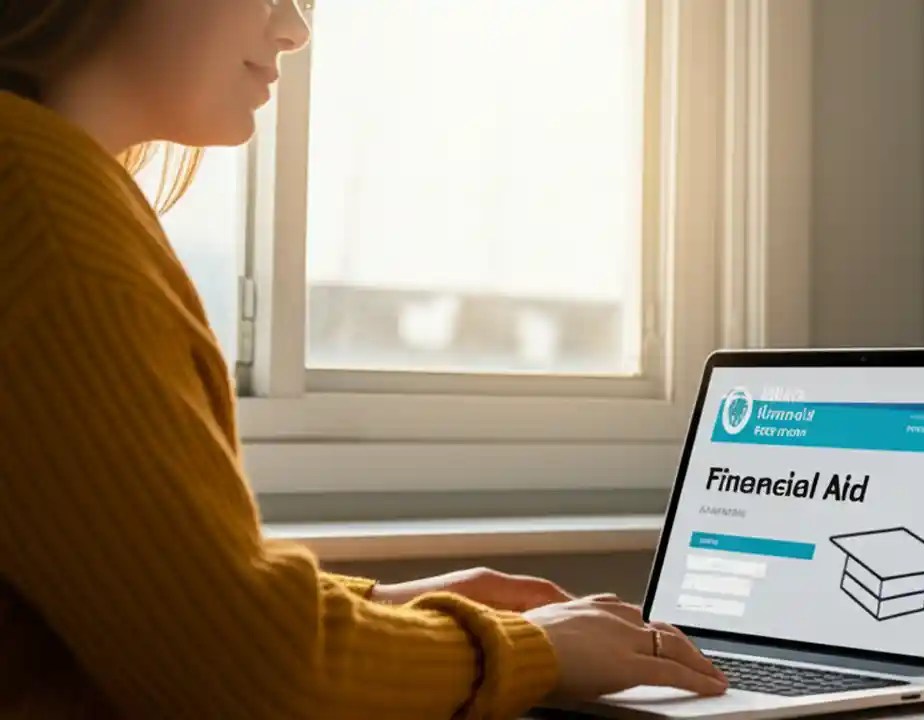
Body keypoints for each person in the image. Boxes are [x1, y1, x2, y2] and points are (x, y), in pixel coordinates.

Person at [0, 1, 728, 717]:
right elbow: (250, 673)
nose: (293, 29)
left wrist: (387, 608)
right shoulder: (47, 212)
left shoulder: (38, 180)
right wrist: (527, 652)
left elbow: (138, 608)